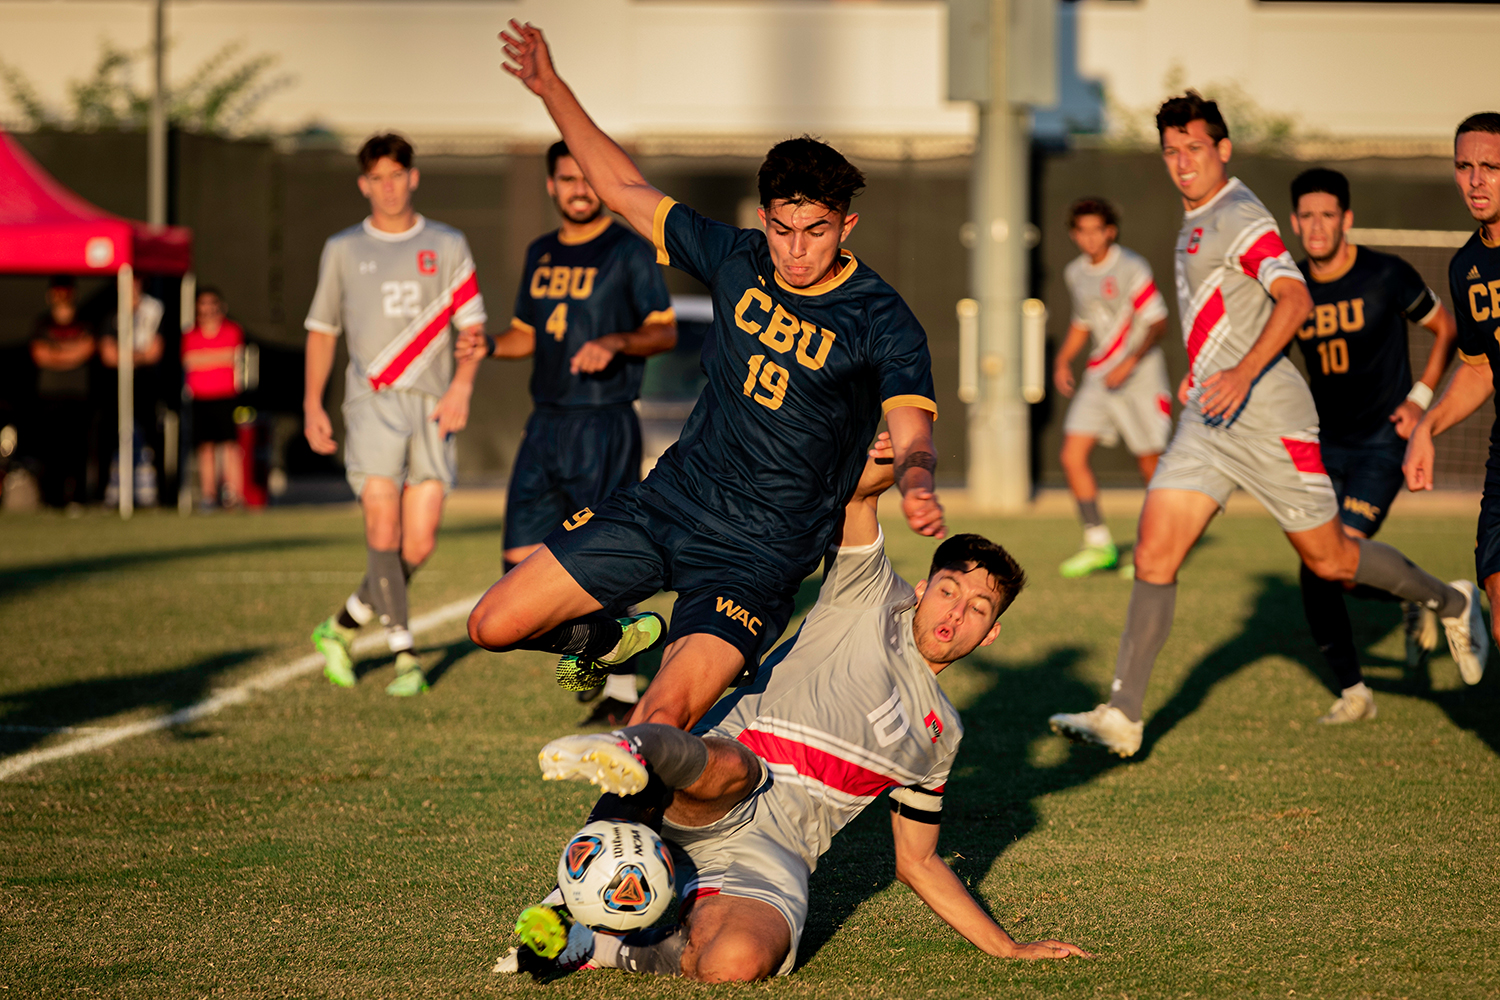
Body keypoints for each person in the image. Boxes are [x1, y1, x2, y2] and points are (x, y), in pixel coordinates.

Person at [466, 21, 945, 732]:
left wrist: (917, 479)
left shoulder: (881, 318)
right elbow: (623, 187)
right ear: (763, 217)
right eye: (783, 228)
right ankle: (613, 638)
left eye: (815, 231)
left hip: (760, 552)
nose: (795, 250)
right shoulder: (736, 256)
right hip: (672, 503)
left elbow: (912, 424)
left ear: (847, 226)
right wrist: (550, 87)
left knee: (661, 717)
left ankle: (627, 835)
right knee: (492, 623)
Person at [496, 436, 1090, 981]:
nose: (955, 613)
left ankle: (600, 941)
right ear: (923, 589)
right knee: (737, 764)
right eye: (949, 590)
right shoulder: (871, 596)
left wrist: (1007, 947)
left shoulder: (942, 737)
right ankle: (629, 750)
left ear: (990, 634)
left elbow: (919, 861)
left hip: (773, 855)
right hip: (707, 787)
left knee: (734, 962)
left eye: (978, 608)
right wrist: (902, 454)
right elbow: (858, 497)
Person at [1048, 92, 1486, 758]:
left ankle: (1449, 602)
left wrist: (1242, 371)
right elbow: (1226, 312)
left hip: (1267, 415)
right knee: (1154, 551)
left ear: (1223, 150)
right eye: (1171, 150)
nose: (1182, 163)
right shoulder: (1197, 215)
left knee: (1333, 559)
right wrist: (1206, 370)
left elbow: (1295, 296)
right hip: (1210, 417)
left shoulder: (1240, 215)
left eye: (1195, 148)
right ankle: (1124, 714)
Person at [467, 139, 677, 725]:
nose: (578, 189)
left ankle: (621, 693)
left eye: (587, 178)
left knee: (603, 557)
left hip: (602, 422)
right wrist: (485, 344)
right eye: (566, 179)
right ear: (550, 186)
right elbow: (525, 337)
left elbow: (663, 332)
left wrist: (616, 341)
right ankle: (595, 642)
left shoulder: (628, 251)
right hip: (546, 424)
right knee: (517, 564)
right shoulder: (539, 252)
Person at [305, 132, 488, 697]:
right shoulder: (342, 249)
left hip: (433, 408)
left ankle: (339, 626)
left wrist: (462, 386)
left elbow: (473, 330)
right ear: (364, 184)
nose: (387, 186)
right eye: (376, 177)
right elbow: (322, 331)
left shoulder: (448, 243)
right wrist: (312, 403)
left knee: (420, 541)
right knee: (382, 527)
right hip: (371, 400)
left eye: (396, 174)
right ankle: (405, 654)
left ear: (413, 177)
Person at [1286, 167, 1459, 723]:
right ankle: (1355, 691)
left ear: (1347, 219)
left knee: (1337, 558)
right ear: (1294, 221)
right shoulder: (1290, 286)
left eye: (1327, 215)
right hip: (1322, 445)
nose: (1317, 226)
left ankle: (1442, 599)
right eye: (1307, 215)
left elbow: (1447, 330)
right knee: (1321, 567)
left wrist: (1421, 398)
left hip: (1382, 442)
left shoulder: (1385, 273)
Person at [1405, 111, 1500, 661]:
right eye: (1465, 166)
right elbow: (1481, 366)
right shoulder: (1467, 267)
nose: (1476, 180)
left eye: (1490, 166)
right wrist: (1427, 426)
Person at [1052, 197, 1172, 578]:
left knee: (1150, 463)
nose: (1090, 238)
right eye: (1082, 231)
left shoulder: (1131, 266)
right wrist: (1063, 359)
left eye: (1097, 230)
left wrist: (1130, 363)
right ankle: (1099, 543)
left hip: (1140, 377)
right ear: (1074, 234)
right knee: (1072, 455)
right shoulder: (1075, 273)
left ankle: (1158, 548)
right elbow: (1083, 322)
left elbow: (1158, 322)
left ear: (1110, 231)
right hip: (1100, 377)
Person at [28, 277, 95, 508]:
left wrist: (57, 354)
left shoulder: (85, 321)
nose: (62, 298)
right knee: (51, 450)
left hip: (78, 396)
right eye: (57, 293)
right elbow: (41, 354)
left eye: (66, 292)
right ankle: (51, 499)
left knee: (77, 450)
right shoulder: (42, 323)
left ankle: (77, 498)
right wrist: (69, 354)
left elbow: (87, 349)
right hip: (50, 396)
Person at [100, 275, 166, 507]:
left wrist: (125, 356)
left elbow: (155, 352)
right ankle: (109, 494)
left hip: (146, 385)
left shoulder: (154, 310)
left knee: (151, 436)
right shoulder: (111, 312)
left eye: (135, 281)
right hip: (115, 387)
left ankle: (153, 494)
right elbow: (107, 355)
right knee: (111, 436)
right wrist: (137, 355)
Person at [181, 286, 247, 509]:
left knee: (230, 446)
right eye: (203, 305)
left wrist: (206, 358)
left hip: (226, 397)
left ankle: (234, 495)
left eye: (212, 304)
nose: (207, 310)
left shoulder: (232, 331)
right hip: (201, 399)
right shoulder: (191, 334)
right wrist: (214, 358)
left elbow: (231, 355)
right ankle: (209, 495)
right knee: (205, 448)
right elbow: (190, 360)